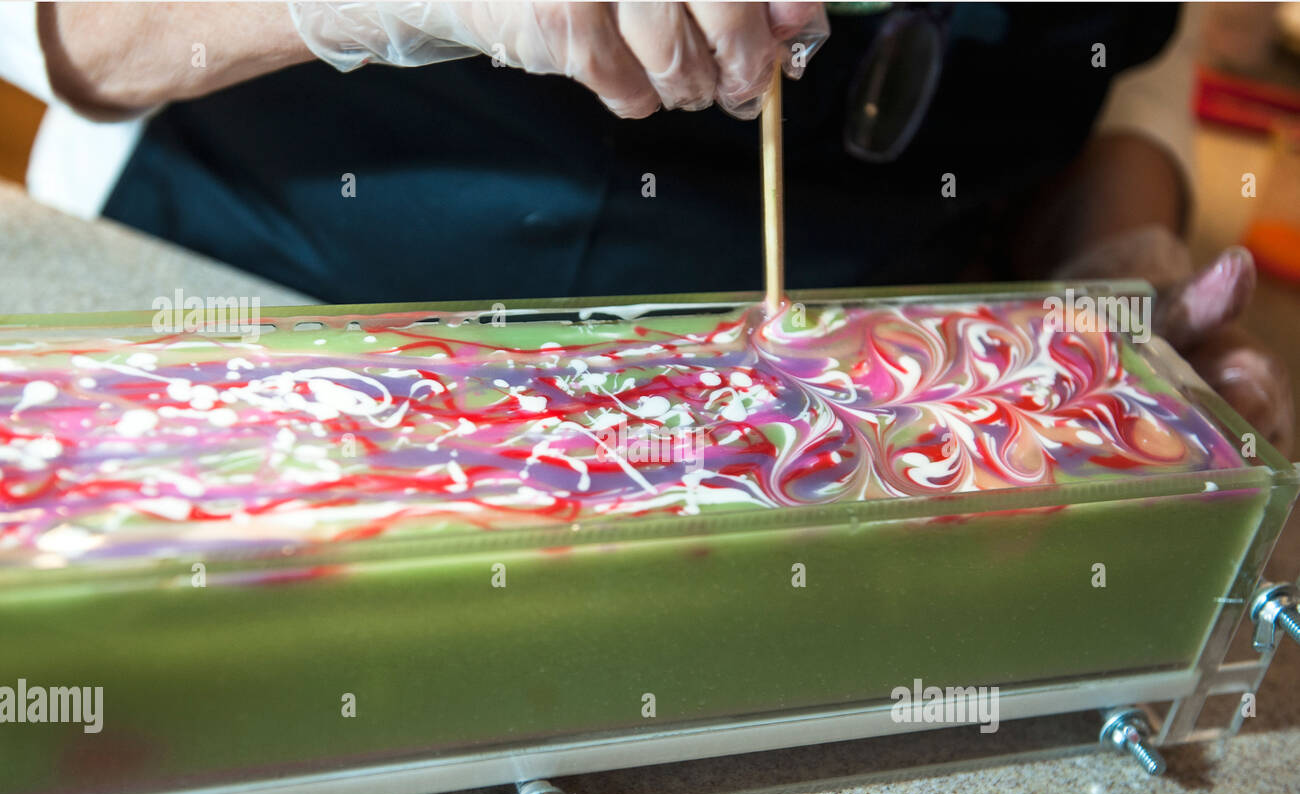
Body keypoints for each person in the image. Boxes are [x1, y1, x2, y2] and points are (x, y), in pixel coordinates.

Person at [0, 1, 1290, 451]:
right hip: (260, 328)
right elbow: (56, 28)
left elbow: (1127, 75)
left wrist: (1107, 257)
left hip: (818, 443)